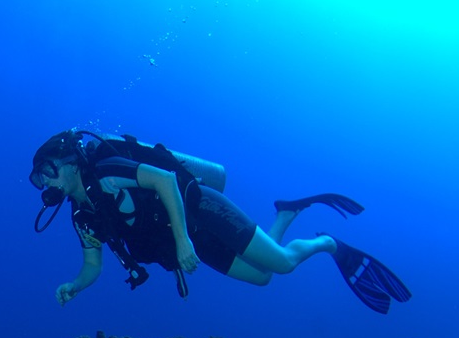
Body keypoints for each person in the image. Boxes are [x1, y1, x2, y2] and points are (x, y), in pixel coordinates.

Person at [28, 129, 411, 314]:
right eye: (38, 178)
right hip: (191, 240)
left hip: (200, 211)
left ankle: (328, 243)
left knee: (283, 264)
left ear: (70, 162)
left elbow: (163, 179)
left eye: (47, 170)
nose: (45, 181)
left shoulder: (108, 171)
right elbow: (92, 264)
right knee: (263, 277)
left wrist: (182, 242)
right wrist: (75, 286)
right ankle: (285, 213)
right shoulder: (83, 216)